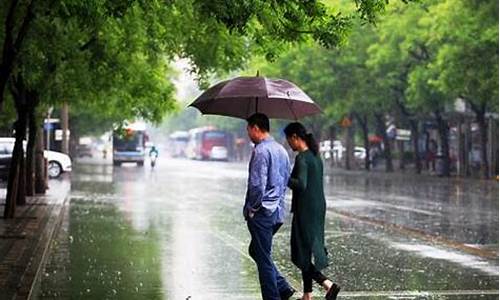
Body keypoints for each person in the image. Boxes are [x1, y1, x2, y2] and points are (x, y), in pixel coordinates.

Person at [284, 122, 340, 300]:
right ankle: (307, 295)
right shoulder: (316, 156)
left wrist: (284, 177)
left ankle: (328, 284)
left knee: (299, 253)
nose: (288, 144)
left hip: (306, 209)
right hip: (318, 207)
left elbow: (301, 184)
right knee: (306, 251)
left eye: (288, 140)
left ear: (295, 137)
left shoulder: (302, 158)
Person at [244, 113, 296, 300]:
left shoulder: (260, 151)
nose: (248, 133)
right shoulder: (281, 150)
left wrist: (252, 209)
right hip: (277, 212)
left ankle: (273, 297)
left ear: (256, 128)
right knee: (257, 251)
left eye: (248, 129)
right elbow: (286, 179)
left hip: (263, 213)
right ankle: (283, 287)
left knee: (264, 259)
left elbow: (257, 185)